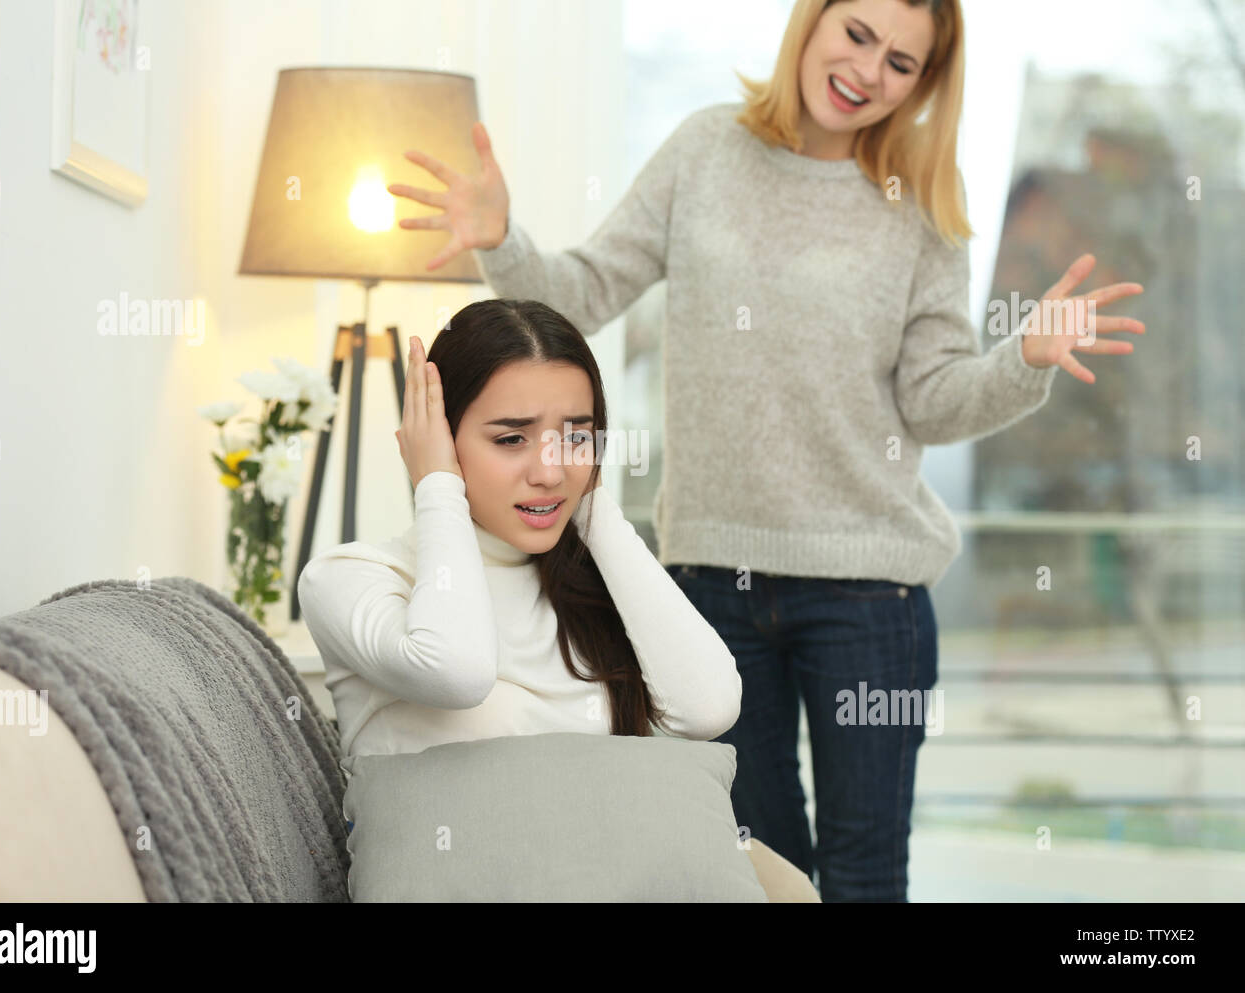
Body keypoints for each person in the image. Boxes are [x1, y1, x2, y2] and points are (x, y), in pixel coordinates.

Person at [385, 0, 1146, 901]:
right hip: (712, 590)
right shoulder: (706, 150)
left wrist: (1021, 359)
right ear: (813, 22)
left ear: (925, 83)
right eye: (857, 34)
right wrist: (502, 240)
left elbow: (933, 401)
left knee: (864, 874)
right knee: (757, 871)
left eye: (903, 63)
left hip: (870, 594)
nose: (868, 71)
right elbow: (584, 291)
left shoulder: (922, 205)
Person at [296, 298, 820, 901]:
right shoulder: (354, 577)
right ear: (439, 438)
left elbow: (709, 708)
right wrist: (436, 485)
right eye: (512, 438)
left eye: (576, 437)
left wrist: (591, 505)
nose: (549, 471)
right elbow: (458, 672)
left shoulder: (598, 581)